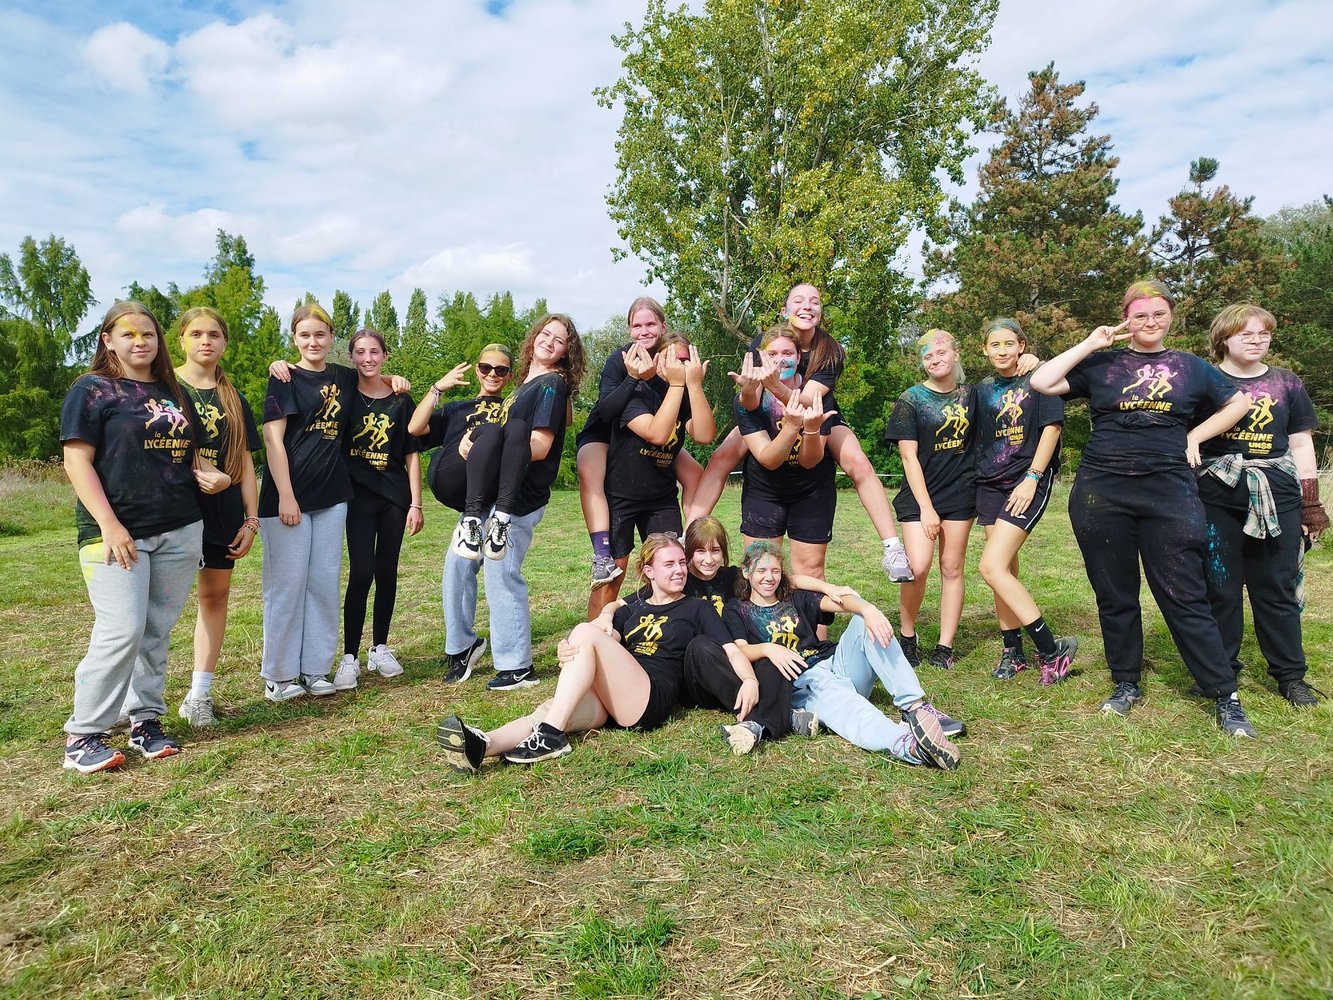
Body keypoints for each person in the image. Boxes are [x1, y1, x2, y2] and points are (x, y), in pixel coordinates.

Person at [1030, 280, 1253, 735]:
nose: (1150, 322)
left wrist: (1195, 436)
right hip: (1101, 490)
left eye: (1158, 314)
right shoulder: (1103, 363)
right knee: (1115, 593)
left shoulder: (1190, 367)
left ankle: (1224, 694)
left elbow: (1239, 402)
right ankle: (1125, 682)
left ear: (1171, 316)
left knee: (1184, 592)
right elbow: (1041, 381)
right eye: (1139, 315)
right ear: (1126, 318)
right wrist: (1091, 342)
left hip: (1169, 489)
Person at [60, 301, 229, 772]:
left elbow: (187, 455)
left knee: (155, 630)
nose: (140, 342)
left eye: (148, 335)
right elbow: (77, 462)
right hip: (114, 532)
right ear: (107, 340)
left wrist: (217, 477)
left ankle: (145, 720)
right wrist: (110, 525)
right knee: (122, 628)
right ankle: (84, 733)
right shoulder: (92, 391)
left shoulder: (174, 391)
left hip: (179, 526)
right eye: (129, 334)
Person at [437, 532, 761, 770]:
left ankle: (551, 736)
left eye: (680, 563)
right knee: (551, 708)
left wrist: (749, 680)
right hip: (613, 699)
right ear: (648, 571)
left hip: (650, 697)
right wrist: (571, 647)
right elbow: (604, 632)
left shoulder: (696, 609)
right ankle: (484, 744)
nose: (678, 570)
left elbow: (730, 650)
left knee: (585, 631)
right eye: (668, 564)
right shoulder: (634, 607)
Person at [690, 282, 914, 583]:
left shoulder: (829, 350)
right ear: (785, 310)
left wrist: (778, 390)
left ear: (820, 312)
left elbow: (811, 402)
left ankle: (892, 547)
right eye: (799, 300)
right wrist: (749, 394)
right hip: (767, 411)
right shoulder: (766, 340)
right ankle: (686, 536)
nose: (807, 306)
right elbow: (752, 393)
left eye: (815, 301)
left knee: (858, 462)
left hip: (814, 410)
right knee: (720, 458)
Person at [722, 541, 964, 769]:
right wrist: (768, 648)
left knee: (863, 622)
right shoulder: (738, 609)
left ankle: (914, 707)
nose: (769, 577)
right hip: (804, 684)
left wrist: (868, 609)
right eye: (761, 570)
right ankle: (908, 747)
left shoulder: (794, 596)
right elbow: (741, 650)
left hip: (835, 664)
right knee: (850, 707)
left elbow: (838, 602)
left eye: (775, 570)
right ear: (746, 572)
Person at [441, 314, 585, 691]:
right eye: (546, 333)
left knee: (500, 570)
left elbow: (537, 446)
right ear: (534, 336)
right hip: (486, 494)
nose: (550, 341)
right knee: (457, 564)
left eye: (560, 338)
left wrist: (495, 444)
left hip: (519, 497)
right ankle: (463, 645)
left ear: (568, 351)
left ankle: (516, 665)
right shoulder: (520, 387)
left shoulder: (552, 386)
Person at [1196, 303, 1327, 708]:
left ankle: (1290, 676)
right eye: (1245, 334)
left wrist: (1310, 504)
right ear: (1224, 339)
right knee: (1221, 586)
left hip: (1278, 493)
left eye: (1263, 334)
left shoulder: (1287, 383)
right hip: (1217, 494)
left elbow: (1302, 443)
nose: (1256, 341)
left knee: (1276, 587)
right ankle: (1221, 673)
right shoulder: (1205, 379)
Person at [972, 318, 1078, 684]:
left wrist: (1032, 478)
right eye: (994, 345)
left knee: (991, 566)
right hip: (988, 483)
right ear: (984, 350)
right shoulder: (980, 389)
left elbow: (1053, 428)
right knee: (1003, 571)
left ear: (1021, 345)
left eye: (1009, 344)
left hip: (1025, 480)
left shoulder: (1040, 379)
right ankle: (1012, 651)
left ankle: (1051, 648)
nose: (1001, 351)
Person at [577, 297, 703, 590]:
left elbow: (673, 406)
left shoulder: (672, 358)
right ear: (629, 329)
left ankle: (690, 533)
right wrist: (634, 378)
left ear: (663, 326)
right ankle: (602, 551)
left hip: (652, 431)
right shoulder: (620, 358)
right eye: (637, 325)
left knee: (694, 472)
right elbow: (608, 412)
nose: (644, 331)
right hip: (606, 431)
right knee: (592, 472)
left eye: (650, 324)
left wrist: (678, 381)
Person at [586, 332, 715, 619]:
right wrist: (680, 384)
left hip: (660, 498)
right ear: (656, 360)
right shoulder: (637, 394)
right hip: (621, 497)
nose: (679, 365)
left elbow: (705, 435)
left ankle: (663, 635)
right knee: (613, 573)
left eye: (685, 359)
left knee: (669, 566)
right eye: (672, 358)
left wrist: (693, 385)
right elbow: (657, 434)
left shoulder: (685, 393)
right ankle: (591, 636)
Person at [173, 307, 261, 727]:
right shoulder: (163, 387)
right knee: (156, 607)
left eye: (214, 334)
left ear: (225, 343)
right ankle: (131, 697)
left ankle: (199, 693)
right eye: (196, 334)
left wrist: (250, 520)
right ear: (182, 340)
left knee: (214, 598)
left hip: (223, 512)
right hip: (170, 510)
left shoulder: (233, 397)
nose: (205, 341)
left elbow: (243, 462)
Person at [407, 345, 512, 682]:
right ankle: (463, 644)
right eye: (485, 367)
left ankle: (483, 649)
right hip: (467, 497)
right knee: (456, 567)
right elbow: (415, 428)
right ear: (477, 370)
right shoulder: (457, 408)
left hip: (496, 500)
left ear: (509, 376)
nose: (492, 374)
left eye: (501, 370)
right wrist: (438, 388)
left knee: (468, 566)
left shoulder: (513, 408)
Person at [334, 328, 423, 690]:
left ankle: (380, 647)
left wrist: (416, 502)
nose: (367, 358)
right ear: (351, 356)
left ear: (385, 355)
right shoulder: (343, 394)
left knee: (387, 571)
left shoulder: (401, 400)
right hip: (357, 498)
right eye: (360, 352)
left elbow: (412, 454)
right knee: (361, 573)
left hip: (394, 497)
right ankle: (350, 656)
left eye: (374, 352)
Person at [886, 330, 977, 671]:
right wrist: (926, 508)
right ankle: (907, 638)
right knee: (918, 568)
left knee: (952, 568)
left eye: (941, 352)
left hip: (960, 494)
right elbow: (908, 458)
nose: (935, 359)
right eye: (928, 356)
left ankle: (944, 645)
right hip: (920, 496)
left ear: (956, 354)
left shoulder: (972, 395)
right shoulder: (910, 400)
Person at [730, 327, 838, 579]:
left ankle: (812, 620)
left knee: (810, 570)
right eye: (772, 353)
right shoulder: (748, 399)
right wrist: (792, 425)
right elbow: (768, 459)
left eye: (788, 352)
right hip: (764, 490)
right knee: (761, 569)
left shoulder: (818, 396)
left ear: (799, 357)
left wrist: (810, 430)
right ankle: (766, 620)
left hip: (812, 490)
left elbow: (810, 461)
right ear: (760, 359)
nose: (780, 359)